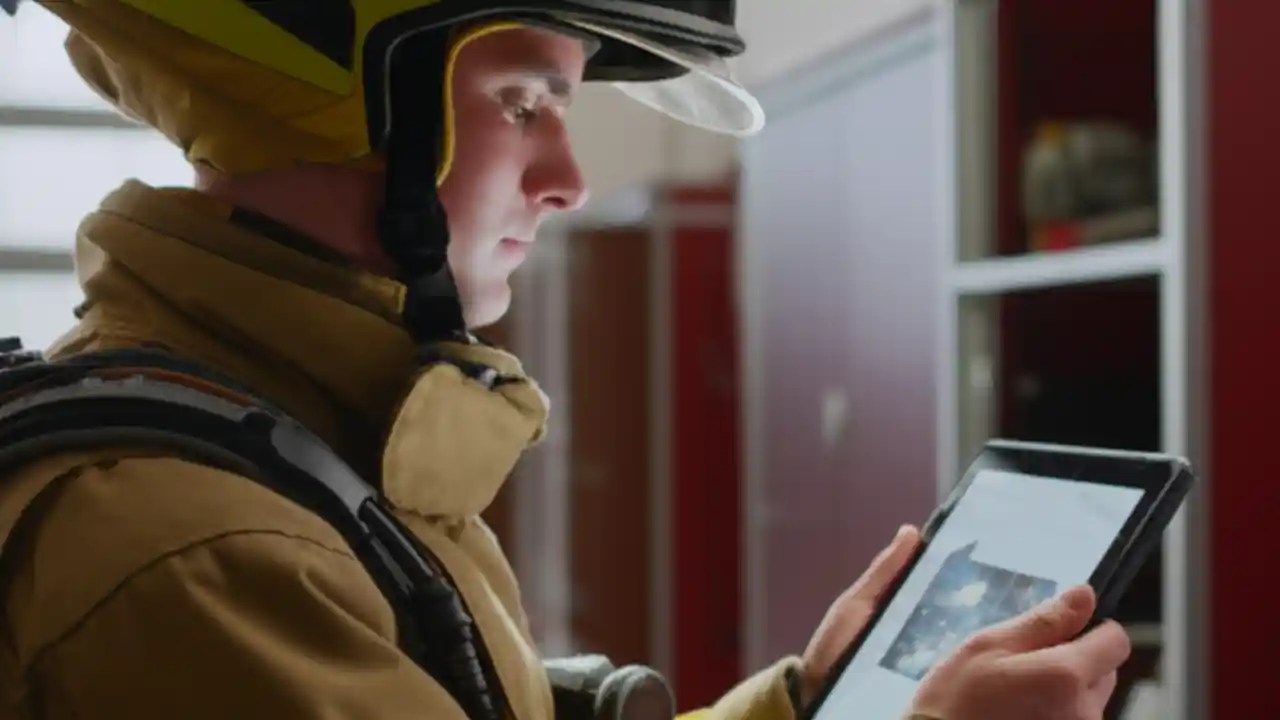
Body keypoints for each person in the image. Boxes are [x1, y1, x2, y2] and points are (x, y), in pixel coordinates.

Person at [0, 1, 1131, 719]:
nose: (568, 178)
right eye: (525, 100)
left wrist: (797, 706)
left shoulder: (306, 443)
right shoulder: (203, 546)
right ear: (343, 105)